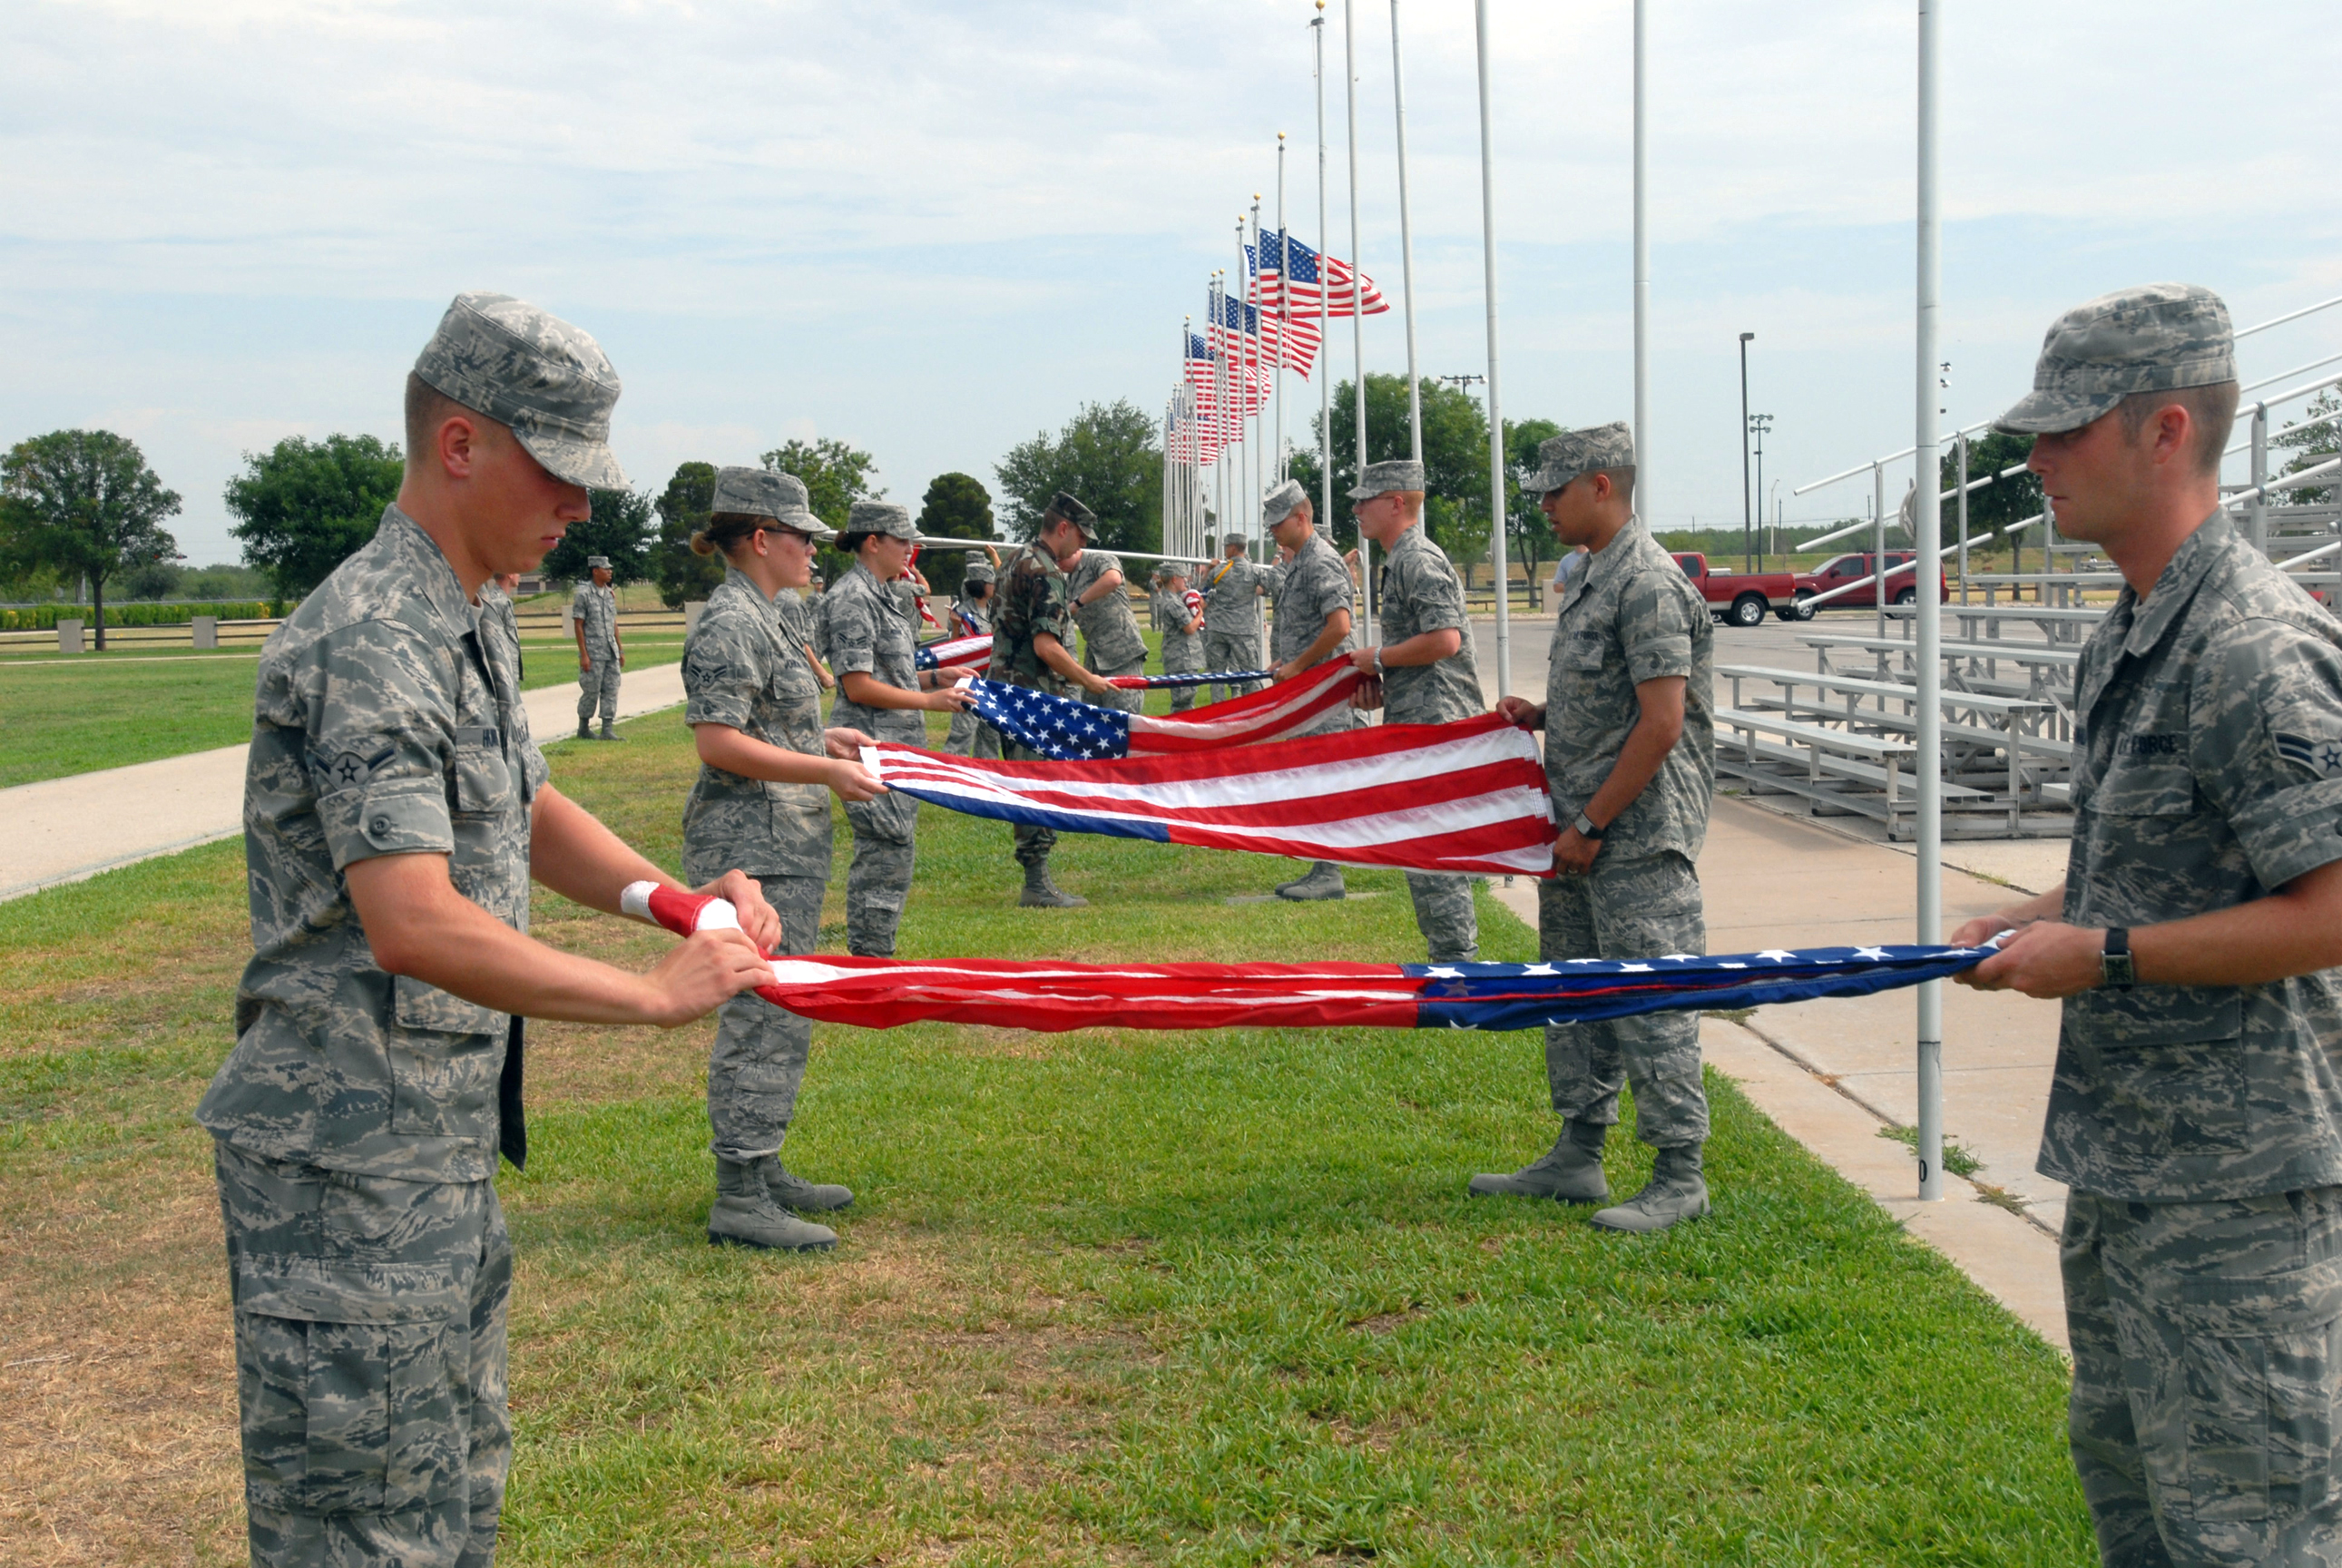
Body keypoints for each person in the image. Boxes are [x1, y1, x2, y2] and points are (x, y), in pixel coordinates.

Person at [196, 291, 785, 1568]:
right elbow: (409, 920)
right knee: (360, 1530)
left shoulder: (466, 617)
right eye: (559, 470)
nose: (581, 507)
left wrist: (679, 904)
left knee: (452, 1502)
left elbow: (527, 806)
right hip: (343, 1167)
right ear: (460, 445)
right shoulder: (370, 635)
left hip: (427, 1148)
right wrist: (653, 996)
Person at [1949, 283, 2342, 1566]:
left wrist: (2099, 955)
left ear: (2164, 430)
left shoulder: (2249, 646)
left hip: (2238, 1190)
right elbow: (2164, 870)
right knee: (2137, 1501)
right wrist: (2037, 919)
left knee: (2251, 1530)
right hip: (2132, 1166)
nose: (2035, 456)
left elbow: (2331, 908)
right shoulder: (2131, 632)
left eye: (2066, 429)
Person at [1472, 422, 1716, 1235]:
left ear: (1601, 486)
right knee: (1573, 992)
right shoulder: (1591, 577)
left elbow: (1662, 722)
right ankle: (1578, 1152)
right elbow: (1610, 701)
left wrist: (1589, 822)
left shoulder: (1645, 580)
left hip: (1635, 835)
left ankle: (1680, 1173)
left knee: (1652, 1000)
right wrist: (1541, 717)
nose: (1542, 504)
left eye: (1555, 489)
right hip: (1579, 829)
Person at [682, 467, 882, 1253]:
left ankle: (761, 1165)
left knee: (783, 1008)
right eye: (802, 536)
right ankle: (738, 1190)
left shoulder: (767, 615)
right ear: (761, 540)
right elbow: (718, 740)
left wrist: (821, 741)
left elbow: (766, 725)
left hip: (784, 840)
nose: (812, 550)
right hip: (750, 847)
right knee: (760, 1011)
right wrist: (826, 770)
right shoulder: (731, 623)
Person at [821, 501, 977, 956]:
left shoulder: (885, 594)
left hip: (896, 747)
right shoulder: (853, 598)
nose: (912, 549)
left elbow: (892, 674)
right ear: (873, 542)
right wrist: (929, 701)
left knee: (895, 849)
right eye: (903, 540)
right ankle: (870, 957)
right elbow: (858, 686)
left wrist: (936, 679)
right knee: (884, 850)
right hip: (867, 747)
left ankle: (877, 952)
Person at [1345, 459, 1482, 961]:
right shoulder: (1398, 558)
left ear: (1397, 502)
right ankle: (1448, 956)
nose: (1357, 508)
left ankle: (1455, 963)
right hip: (1419, 716)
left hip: (1437, 723)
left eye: (1367, 499)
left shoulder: (1417, 558)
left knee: (1431, 845)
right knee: (1422, 845)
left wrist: (1378, 658)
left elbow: (1446, 640)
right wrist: (1387, 681)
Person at [991, 492, 1122, 906]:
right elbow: (1047, 645)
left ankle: (1037, 879)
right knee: (1036, 782)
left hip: (1007, 688)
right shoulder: (1046, 570)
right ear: (1062, 528)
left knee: (1025, 780)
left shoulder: (1015, 558)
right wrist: (1089, 680)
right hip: (1034, 694)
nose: (1082, 546)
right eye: (1081, 536)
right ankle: (1036, 883)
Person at [1261, 478, 1357, 902]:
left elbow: (1340, 626)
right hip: (1307, 690)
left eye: (1278, 523)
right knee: (1312, 780)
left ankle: (1329, 871)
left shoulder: (1321, 560)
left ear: (1302, 517)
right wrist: (1289, 661)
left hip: (1326, 696)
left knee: (1327, 783)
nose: (1272, 532)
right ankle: (1320, 865)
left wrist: (1299, 663)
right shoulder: (1300, 561)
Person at [1061, 499, 1149, 715]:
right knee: (1093, 719)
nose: (1057, 563)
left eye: (1059, 558)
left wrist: (1078, 603)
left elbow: (1113, 580)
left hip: (1122, 652)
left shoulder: (1099, 559)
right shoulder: (1068, 579)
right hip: (1096, 656)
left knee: (1124, 717)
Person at [1200, 532, 1273, 702]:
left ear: (1233, 547)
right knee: (1250, 674)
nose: (1225, 550)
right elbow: (1269, 588)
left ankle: (1216, 711)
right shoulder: (1254, 570)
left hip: (1218, 629)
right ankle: (1253, 708)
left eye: (1226, 547)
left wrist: (1209, 569)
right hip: (1243, 630)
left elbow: (1203, 589)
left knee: (1216, 677)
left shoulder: (1219, 570)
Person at [943, 555, 1003, 759]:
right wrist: (957, 626)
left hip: (991, 680)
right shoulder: (962, 612)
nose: (994, 587)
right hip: (969, 680)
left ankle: (987, 774)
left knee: (991, 734)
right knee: (963, 733)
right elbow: (953, 649)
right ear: (982, 585)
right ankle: (949, 773)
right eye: (991, 583)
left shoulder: (995, 609)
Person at [572, 554, 623, 740]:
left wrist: (620, 649)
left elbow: (613, 622)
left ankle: (607, 729)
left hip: (610, 651)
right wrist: (584, 654)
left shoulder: (609, 593)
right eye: (606, 569)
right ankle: (583, 727)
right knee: (591, 689)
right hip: (593, 652)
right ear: (595, 571)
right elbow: (578, 624)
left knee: (611, 688)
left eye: (610, 569)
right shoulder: (583, 594)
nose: (610, 572)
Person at [1151, 562, 1205, 712]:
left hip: (1181, 658)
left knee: (1186, 701)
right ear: (1174, 579)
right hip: (1181, 659)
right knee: (1183, 703)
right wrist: (1200, 612)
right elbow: (1190, 628)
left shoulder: (1173, 599)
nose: (1185, 581)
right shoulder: (1173, 602)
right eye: (1183, 578)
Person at [482, 571, 524, 681]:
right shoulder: (497, 602)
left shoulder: (504, 600)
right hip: (502, 670)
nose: (519, 575)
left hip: (509, 667)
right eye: (516, 572)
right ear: (509, 574)